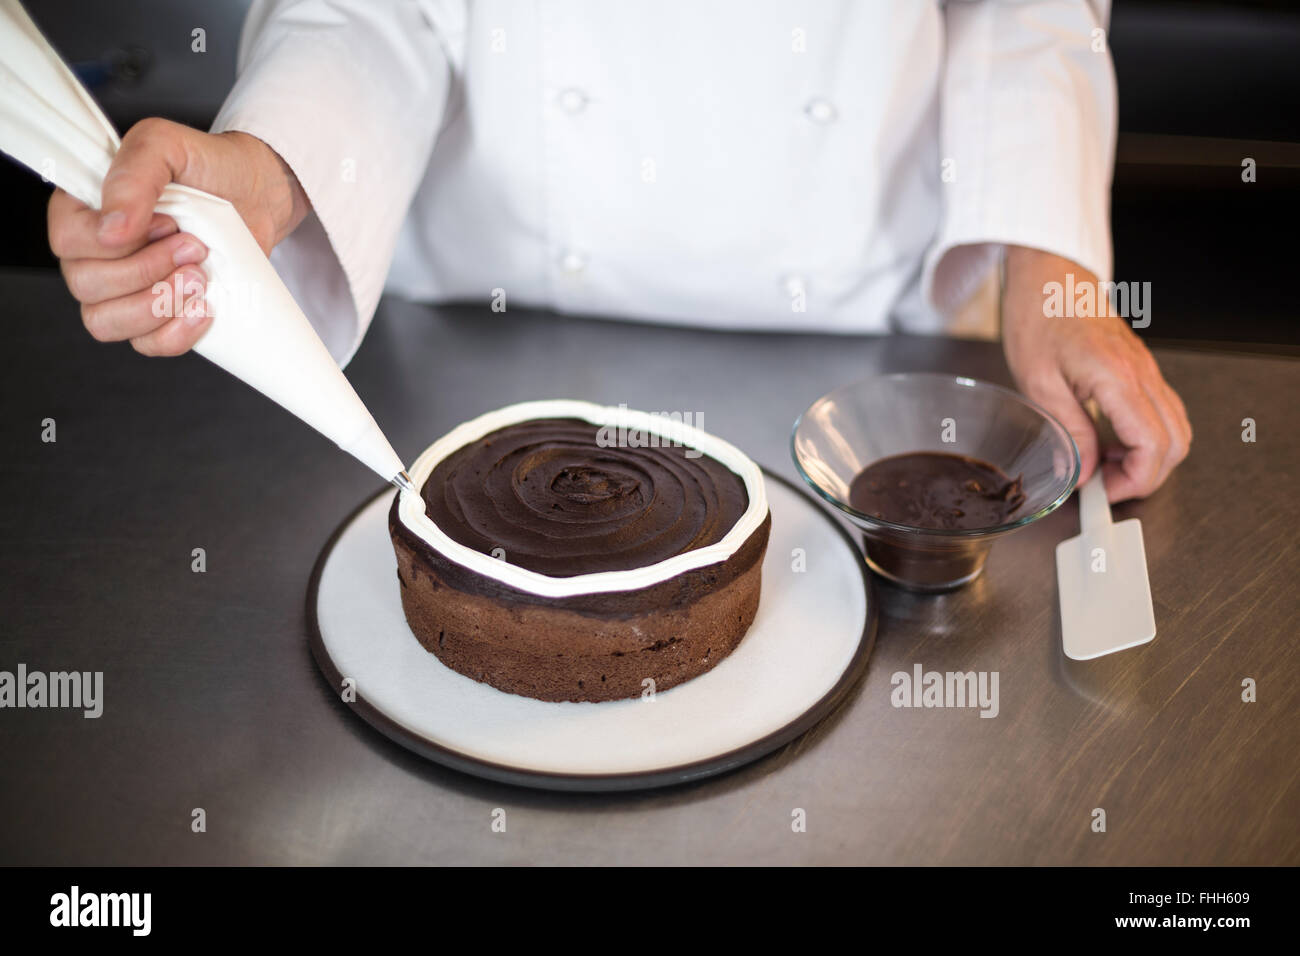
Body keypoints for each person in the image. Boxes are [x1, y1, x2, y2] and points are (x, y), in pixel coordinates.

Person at [46, 0, 1190, 501]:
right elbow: (378, 6)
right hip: (477, 335)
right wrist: (276, 163)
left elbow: (1021, 3)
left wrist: (1052, 261)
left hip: (862, 357)